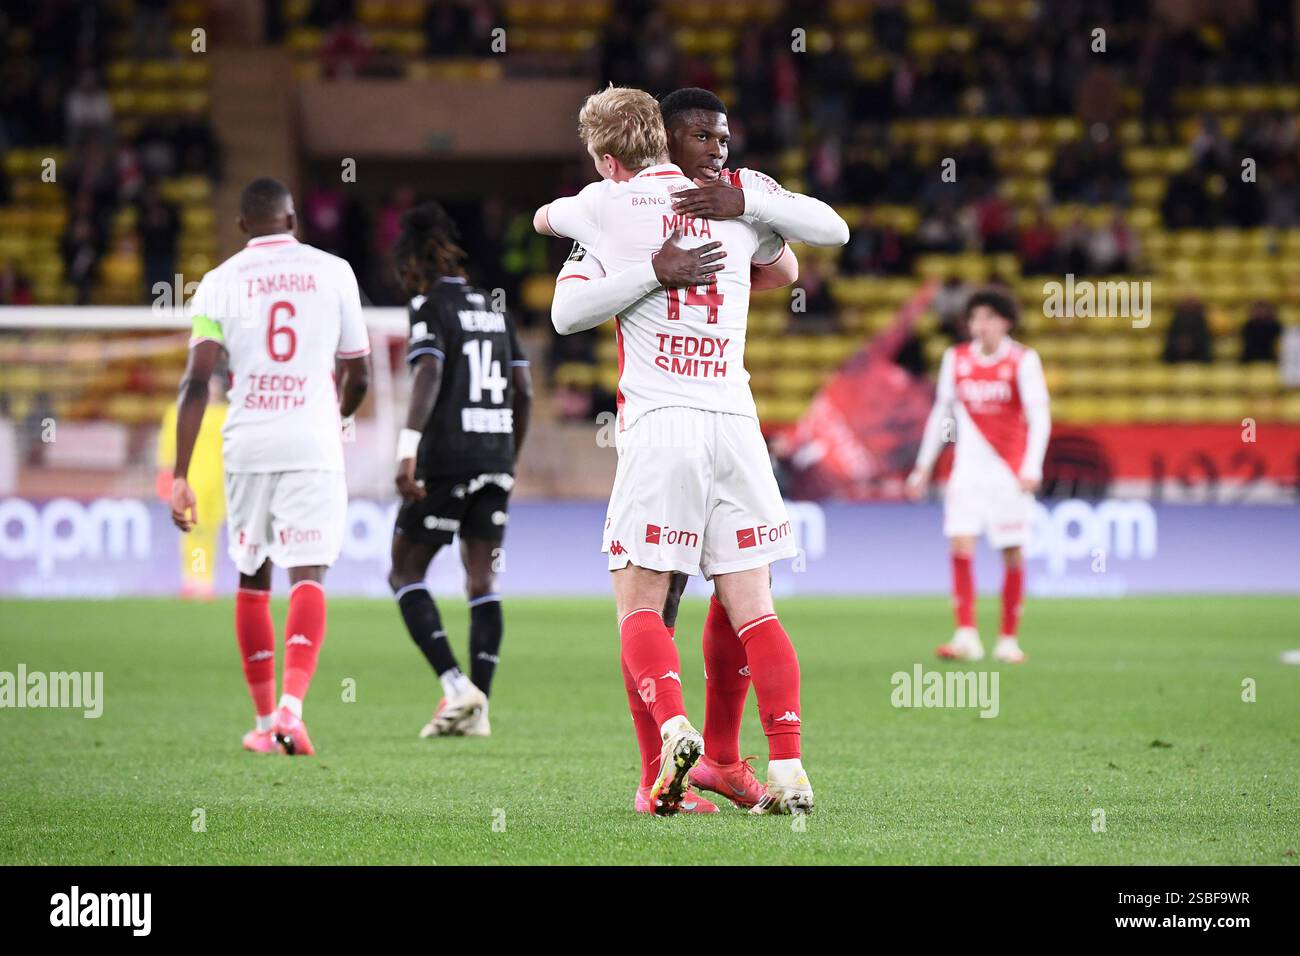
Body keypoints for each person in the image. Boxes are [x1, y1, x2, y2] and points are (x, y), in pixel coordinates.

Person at [535, 85, 846, 816]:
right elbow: (814, 247)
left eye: (722, 138)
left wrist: (631, 249)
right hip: (735, 422)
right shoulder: (736, 199)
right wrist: (749, 210)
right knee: (754, 606)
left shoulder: (605, 204)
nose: (718, 150)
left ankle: (672, 743)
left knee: (641, 604)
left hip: (661, 425)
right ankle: (788, 765)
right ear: (668, 139)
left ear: (608, 158)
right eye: (703, 137)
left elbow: (559, 273)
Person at [170, 176, 371, 756]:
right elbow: (359, 374)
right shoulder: (334, 271)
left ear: (241, 227)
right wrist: (333, 419)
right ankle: (292, 708)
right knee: (308, 574)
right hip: (311, 440)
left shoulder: (218, 282)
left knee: (251, 575)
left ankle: (263, 723)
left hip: (247, 444)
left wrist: (181, 474)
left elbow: (195, 383)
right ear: (292, 221)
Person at [387, 201, 532, 738]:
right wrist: (506, 457)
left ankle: (455, 686)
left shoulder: (429, 305)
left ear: (413, 268)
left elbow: (428, 371)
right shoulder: (495, 308)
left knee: (404, 571)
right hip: (495, 458)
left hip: (448, 459)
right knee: (481, 578)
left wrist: (408, 448)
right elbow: (524, 390)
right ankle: (479, 709)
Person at [906, 288, 1051, 664]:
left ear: (1005, 321)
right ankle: (966, 634)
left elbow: (1039, 416)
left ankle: (1008, 639)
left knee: (1013, 552)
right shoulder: (956, 359)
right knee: (959, 545)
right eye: (974, 318)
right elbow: (942, 415)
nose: (980, 326)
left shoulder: (1023, 360)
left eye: (988, 317)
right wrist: (923, 466)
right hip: (967, 471)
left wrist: (1033, 465)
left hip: (1009, 472)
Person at [157, 369, 227, 600]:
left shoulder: (226, 414)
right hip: (189, 481)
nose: (211, 389)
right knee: (192, 532)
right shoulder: (178, 412)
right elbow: (168, 447)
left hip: (218, 484)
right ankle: (192, 578)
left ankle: (205, 580)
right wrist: (166, 477)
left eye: (214, 385)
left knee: (209, 532)